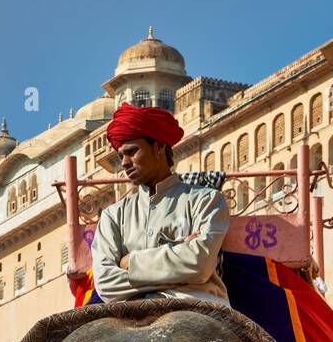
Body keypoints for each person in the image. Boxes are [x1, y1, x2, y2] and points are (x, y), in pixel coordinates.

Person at [91, 101, 230, 304]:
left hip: (196, 305)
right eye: (121, 155)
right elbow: (105, 283)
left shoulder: (206, 200)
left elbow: (200, 265)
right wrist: (178, 262)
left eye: (131, 152)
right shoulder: (113, 215)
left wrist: (131, 261)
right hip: (129, 312)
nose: (124, 163)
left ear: (158, 146)